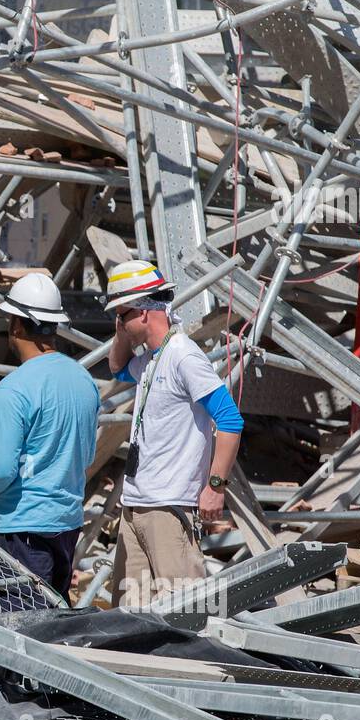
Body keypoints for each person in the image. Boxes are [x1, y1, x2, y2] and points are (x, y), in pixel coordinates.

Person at [0, 273, 100, 608]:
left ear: (17, 324)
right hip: (66, 523)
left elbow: (3, 468)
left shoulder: (14, 388)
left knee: (25, 627)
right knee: (55, 620)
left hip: (24, 529)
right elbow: (84, 454)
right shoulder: (83, 379)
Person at [104, 260, 244, 607]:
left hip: (168, 508)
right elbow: (117, 369)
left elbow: (229, 420)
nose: (118, 324)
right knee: (131, 610)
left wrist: (214, 488)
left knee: (183, 610)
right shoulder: (153, 358)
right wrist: (122, 334)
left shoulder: (183, 356)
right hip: (137, 505)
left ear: (145, 312)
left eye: (122, 315)